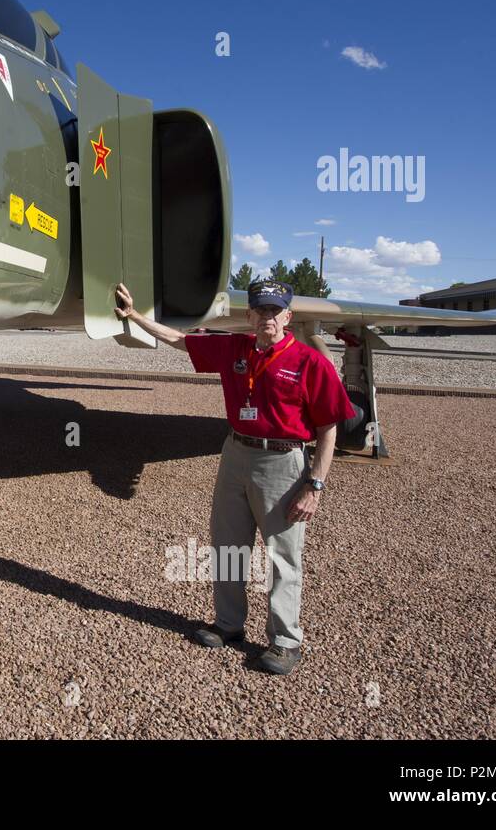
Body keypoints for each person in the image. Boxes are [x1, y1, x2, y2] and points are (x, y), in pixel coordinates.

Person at [114, 279, 354, 675]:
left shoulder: (310, 362)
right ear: (250, 316)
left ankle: (284, 640)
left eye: (275, 311)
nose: (268, 318)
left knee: (283, 555)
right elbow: (179, 340)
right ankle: (229, 625)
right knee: (227, 546)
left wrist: (315, 484)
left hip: (283, 462)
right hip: (236, 453)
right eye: (260, 311)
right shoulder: (234, 348)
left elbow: (329, 427)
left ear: (288, 317)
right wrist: (136, 316)